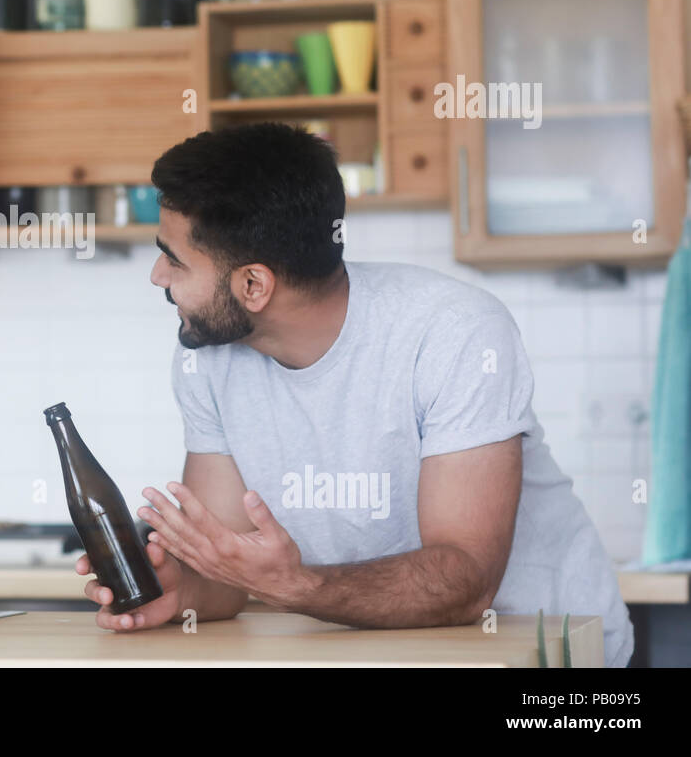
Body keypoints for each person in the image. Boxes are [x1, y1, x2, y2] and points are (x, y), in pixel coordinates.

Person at [75, 122, 633, 667]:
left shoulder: (454, 331)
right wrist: (183, 591)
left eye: (173, 258)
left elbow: (466, 582)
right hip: (388, 653)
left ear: (253, 285)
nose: (157, 276)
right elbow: (230, 568)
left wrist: (296, 584)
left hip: (552, 653)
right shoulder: (208, 359)